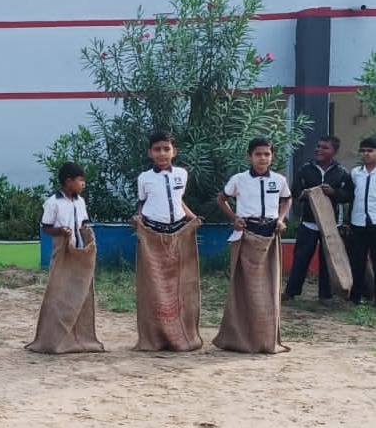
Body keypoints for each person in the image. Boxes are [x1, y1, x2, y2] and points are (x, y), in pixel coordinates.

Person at [214, 136, 292, 354]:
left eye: (267, 154)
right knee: (244, 288)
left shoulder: (278, 179)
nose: (263, 158)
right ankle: (238, 337)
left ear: (272, 156)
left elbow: (287, 199)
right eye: (258, 154)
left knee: (270, 287)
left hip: (270, 235)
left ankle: (266, 338)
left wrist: (281, 218)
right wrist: (234, 218)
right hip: (247, 234)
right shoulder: (239, 179)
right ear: (249, 156)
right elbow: (221, 199)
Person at [133, 130, 203, 352]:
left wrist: (193, 218)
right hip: (153, 232)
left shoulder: (181, 174)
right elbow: (142, 204)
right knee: (155, 283)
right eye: (157, 149)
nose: (162, 153)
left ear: (174, 151)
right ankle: (155, 334)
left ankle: (181, 331)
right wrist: (138, 220)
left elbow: (178, 201)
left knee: (181, 282)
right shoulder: (144, 178)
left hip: (180, 230)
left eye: (166, 149)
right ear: (149, 153)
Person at [28, 162, 104, 354]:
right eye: (80, 180)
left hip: (80, 251)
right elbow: (46, 228)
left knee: (80, 291)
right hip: (62, 250)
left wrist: (87, 233)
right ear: (68, 181)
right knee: (60, 291)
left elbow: (84, 222)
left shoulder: (80, 202)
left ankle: (79, 337)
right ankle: (52, 338)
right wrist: (60, 231)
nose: (83, 184)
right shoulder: (53, 202)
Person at [284, 136, 353, 302]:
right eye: (318, 146)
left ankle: (325, 296)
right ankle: (291, 292)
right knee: (301, 257)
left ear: (334, 151)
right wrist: (305, 195)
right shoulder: (306, 169)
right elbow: (295, 191)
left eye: (325, 148)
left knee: (328, 259)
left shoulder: (342, 172)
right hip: (308, 222)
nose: (319, 150)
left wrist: (334, 192)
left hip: (331, 224)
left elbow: (349, 195)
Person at [348, 137, 376, 305]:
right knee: (357, 260)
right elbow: (351, 195)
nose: (366, 154)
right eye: (363, 151)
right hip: (358, 222)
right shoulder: (356, 172)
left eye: (370, 151)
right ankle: (357, 295)